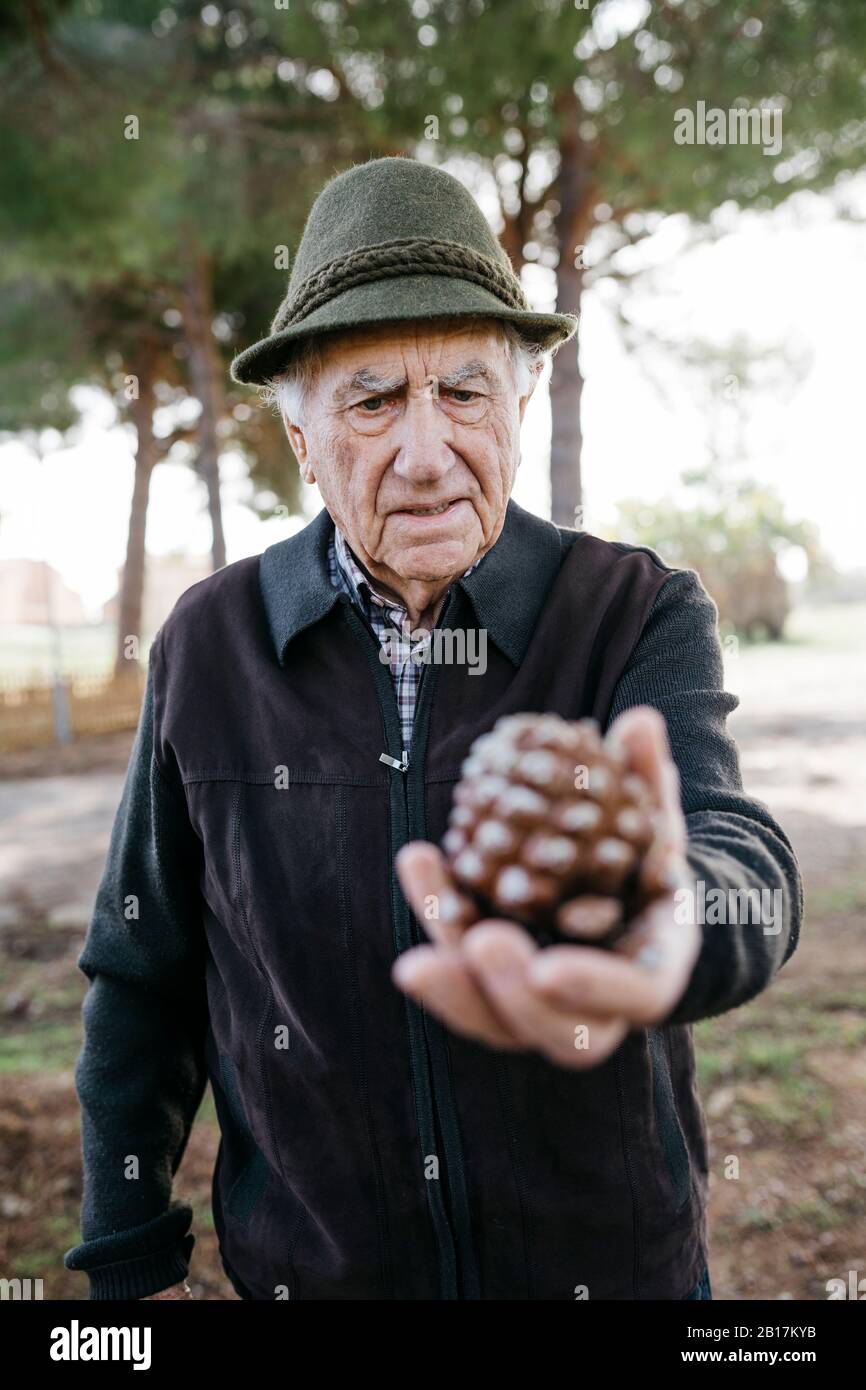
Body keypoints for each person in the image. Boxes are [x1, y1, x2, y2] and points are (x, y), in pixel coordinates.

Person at [64, 156, 802, 1301]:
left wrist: (665, 919)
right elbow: (140, 969)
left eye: (462, 392)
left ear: (515, 407)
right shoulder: (207, 646)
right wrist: (125, 1261)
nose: (424, 452)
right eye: (371, 400)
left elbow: (734, 852)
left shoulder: (635, 610)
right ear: (303, 441)